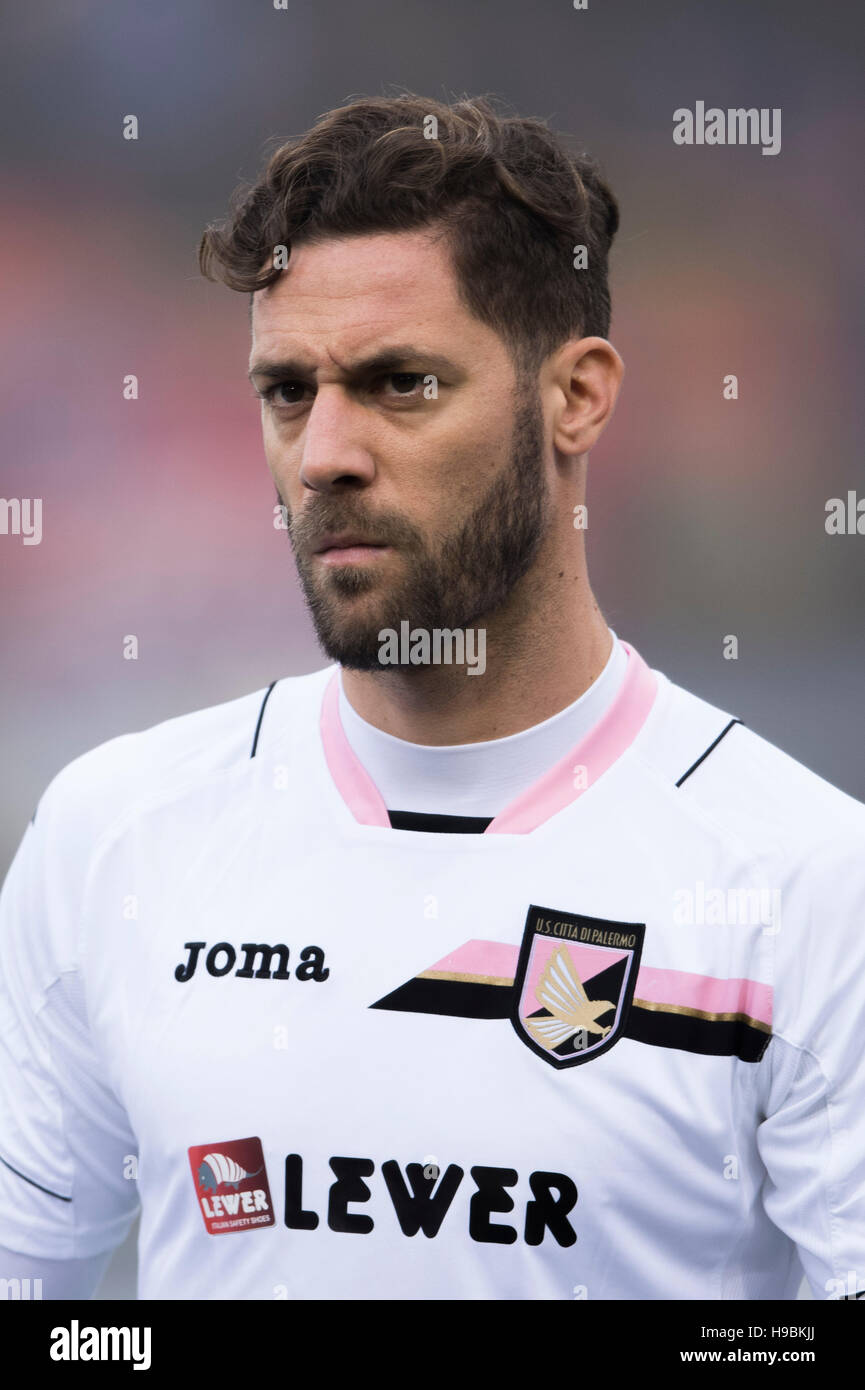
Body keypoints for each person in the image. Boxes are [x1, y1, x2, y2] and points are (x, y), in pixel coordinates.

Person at [1, 92, 863, 1301]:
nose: (324, 454)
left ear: (578, 396)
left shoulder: (806, 885)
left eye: (400, 383)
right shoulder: (115, 836)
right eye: (288, 392)